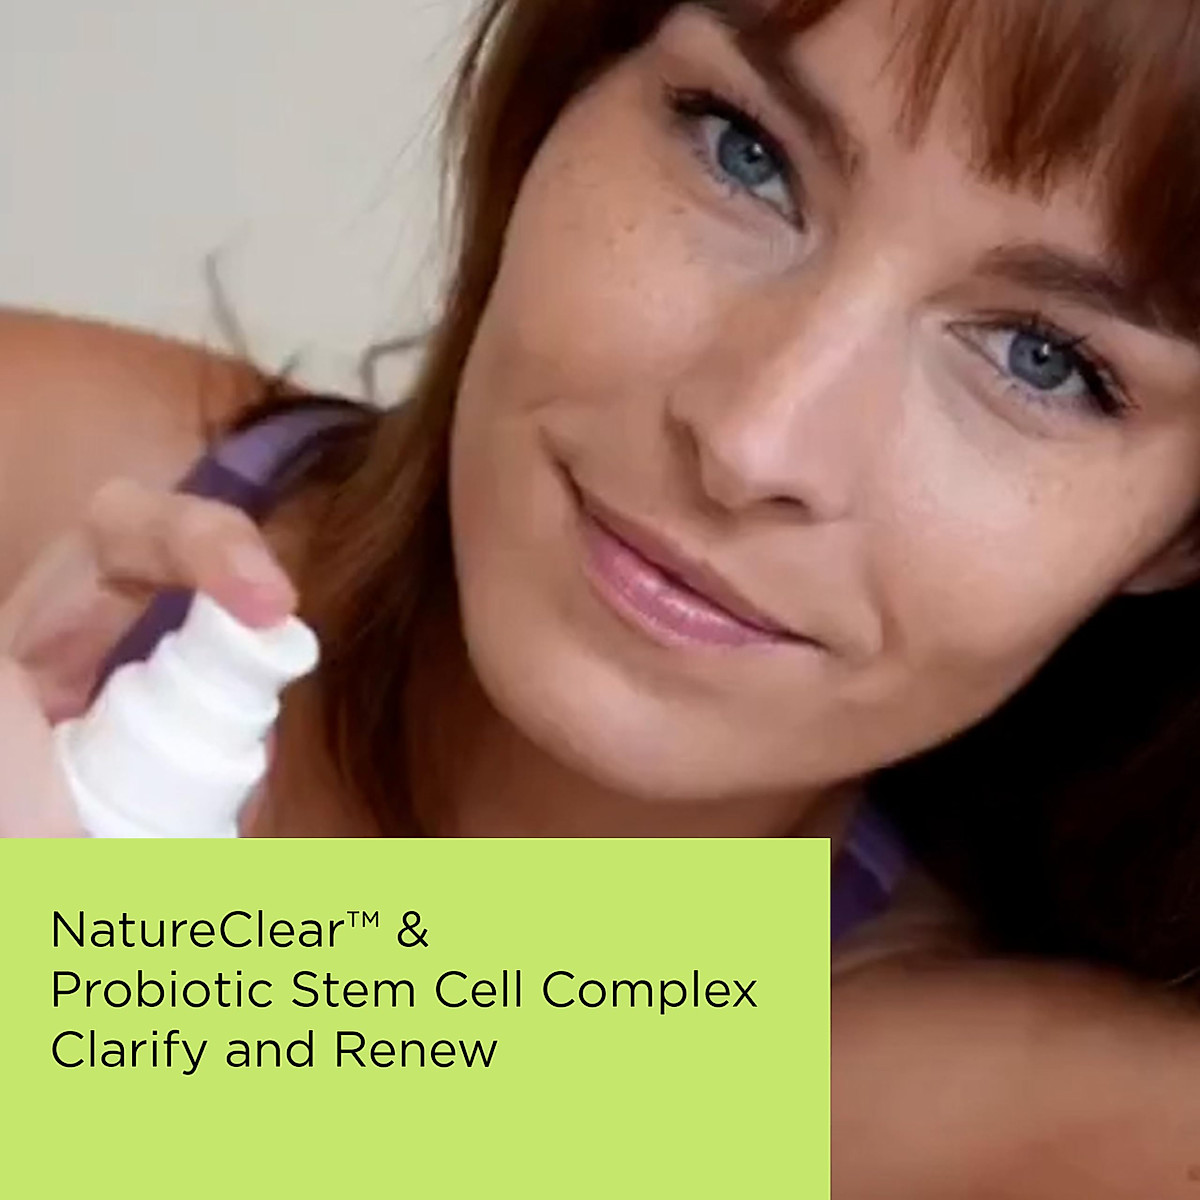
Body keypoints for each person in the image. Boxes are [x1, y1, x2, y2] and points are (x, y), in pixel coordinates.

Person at [5, 0, 1200, 1192]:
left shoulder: (1023, 1127)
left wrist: (65, 1008)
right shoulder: (51, 480)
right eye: (744, 150)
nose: (752, 439)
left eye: (1045, 361)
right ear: (563, 95)